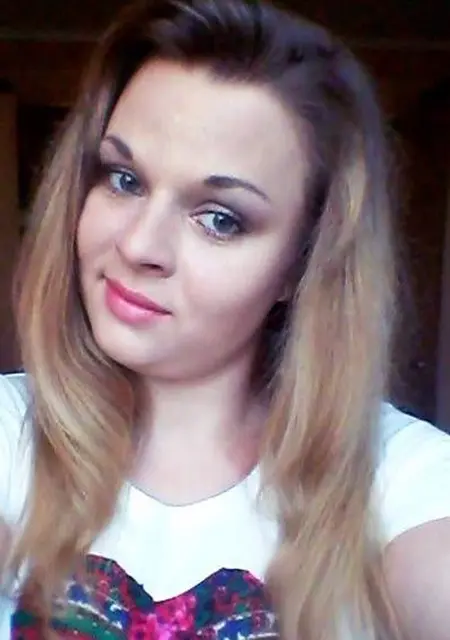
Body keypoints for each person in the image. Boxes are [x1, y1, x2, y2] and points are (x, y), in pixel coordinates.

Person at [1, 0, 450, 638]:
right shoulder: (10, 433)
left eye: (219, 218)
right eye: (124, 179)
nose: (139, 245)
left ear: (301, 264)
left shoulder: (402, 479)